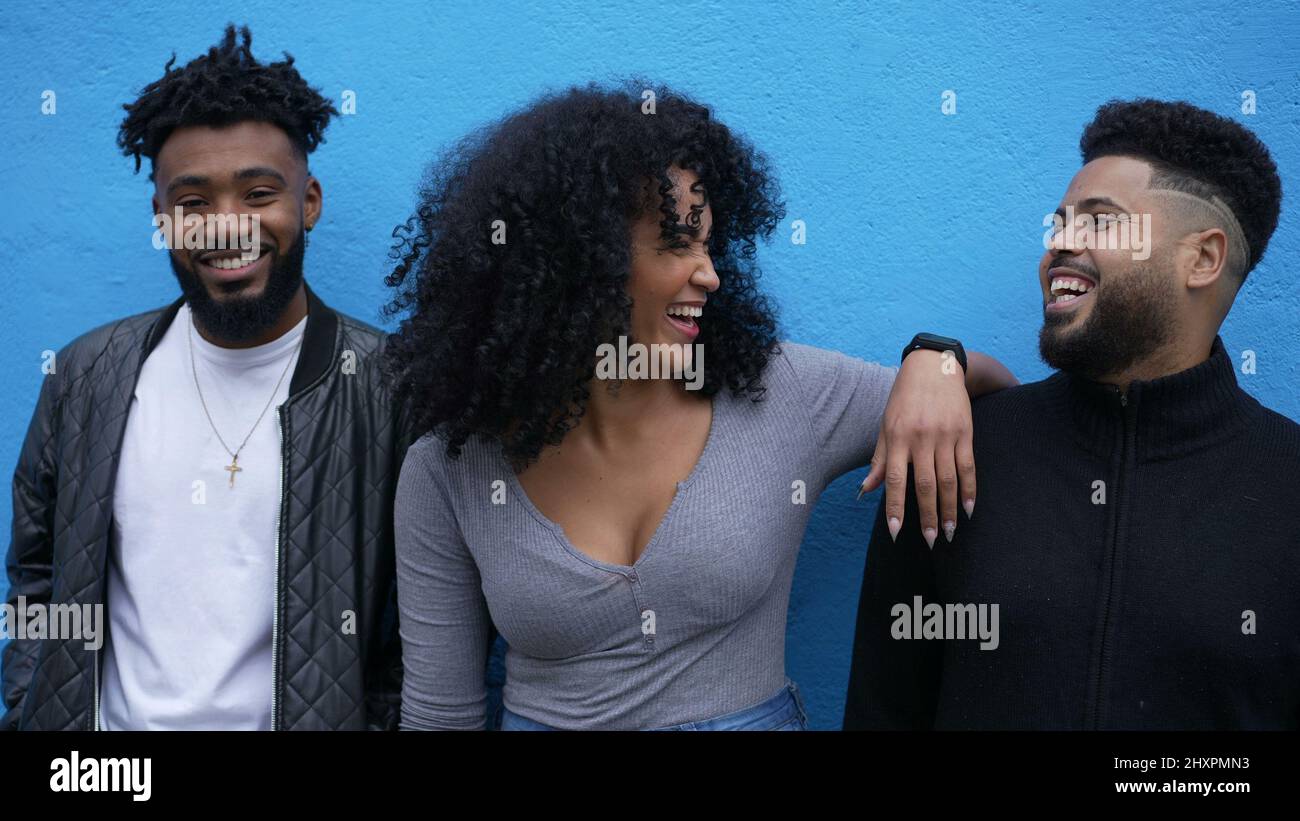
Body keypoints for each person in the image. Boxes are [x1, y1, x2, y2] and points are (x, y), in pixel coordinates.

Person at [386, 81, 1017, 730]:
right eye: (677, 243)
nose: (709, 273)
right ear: (578, 258)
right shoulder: (451, 466)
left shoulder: (782, 393)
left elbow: (1000, 388)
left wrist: (935, 361)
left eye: (709, 244)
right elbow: (439, 716)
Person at [2, 25, 411, 730]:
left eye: (258, 193)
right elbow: (36, 577)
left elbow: (421, 628)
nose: (227, 227)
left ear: (308, 202)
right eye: (192, 204)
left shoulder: (390, 388)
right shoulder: (84, 376)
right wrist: (32, 701)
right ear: (162, 219)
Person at [843, 98, 1298, 730]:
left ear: (1203, 259)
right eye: (1059, 224)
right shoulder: (958, 454)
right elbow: (884, 710)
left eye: (1101, 222)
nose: (1059, 244)